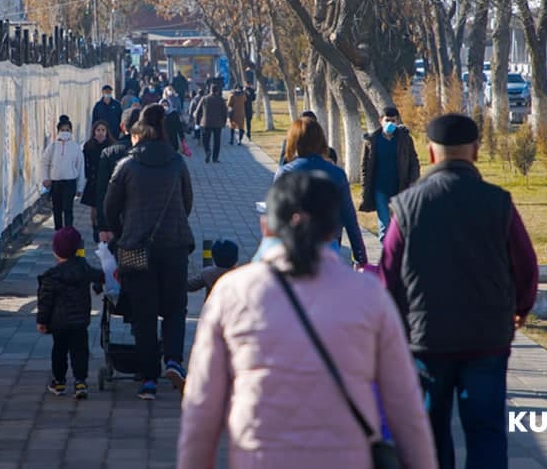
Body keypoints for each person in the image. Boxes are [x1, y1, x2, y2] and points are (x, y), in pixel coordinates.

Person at [177, 172, 437, 469]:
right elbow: (405, 407)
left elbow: (201, 408)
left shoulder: (232, 293)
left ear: (267, 226)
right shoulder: (369, 295)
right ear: (331, 231)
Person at [379, 114, 539, 469]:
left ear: (431, 154)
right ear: (477, 152)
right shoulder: (498, 202)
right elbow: (526, 265)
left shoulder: (406, 206)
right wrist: (520, 309)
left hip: (426, 342)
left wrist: (397, 329)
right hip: (488, 339)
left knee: (430, 436)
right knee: (486, 432)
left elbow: (389, 275)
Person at [103, 106, 195, 400]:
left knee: (143, 313)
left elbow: (109, 208)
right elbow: (187, 202)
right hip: (175, 247)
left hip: (136, 250)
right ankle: (173, 361)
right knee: (174, 308)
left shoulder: (127, 166)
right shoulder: (177, 163)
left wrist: (124, 230)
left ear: (139, 131)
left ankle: (148, 380)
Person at [275, 118, 367, 266]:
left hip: (293, 247)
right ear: (321, 141)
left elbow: (277, 217)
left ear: (294, 141)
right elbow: (349, 217)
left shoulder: (285, 173)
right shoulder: (337, 173)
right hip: (329, 246)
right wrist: (360, 255)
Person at [37, 226, 104, 400]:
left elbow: (45, 301)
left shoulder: (51, 276)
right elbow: (99, 275)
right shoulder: (83, 268)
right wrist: (101, 282)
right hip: (80, 320)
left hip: (58, 323)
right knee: (80, 351)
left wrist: (42, 321)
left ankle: (59, 382)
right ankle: (80, 382)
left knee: (59, 351)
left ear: (56, 251)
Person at [359, 106, 421, 242]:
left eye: (393, 121)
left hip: (400, 188)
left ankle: (396, 255)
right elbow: (364, 166)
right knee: (385, 225)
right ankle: (386, 255)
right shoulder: (372, 141)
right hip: (379, 189)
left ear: (398, 121)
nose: (390, 124)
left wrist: (413, 181)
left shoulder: (404, 139)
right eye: (387, 120)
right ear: (380, 120)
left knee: (399, 224)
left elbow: (414, 161)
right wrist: (364, 187)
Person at [97, 108, 140, 243]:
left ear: (122, 126)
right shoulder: (150, 152)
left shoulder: (109, 152)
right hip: (142, 220)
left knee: (115, 259)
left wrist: (102, 226)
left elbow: (102, 190)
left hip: (115, 216)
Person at [42, 115, 85, 231]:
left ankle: (68, 232)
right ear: (58, 131)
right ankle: (58, 232)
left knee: (68, 209)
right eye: (62, 130)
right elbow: (45, 161)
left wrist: (80, 187)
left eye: (67, 130)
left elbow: (81, 167)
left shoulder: (75, 147)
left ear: (71, 131)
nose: (65, 133)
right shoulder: (53, 146)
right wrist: (45, 178)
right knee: (56, 209)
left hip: (70, 182)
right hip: (56, 182)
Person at [81, 121, 114, 244]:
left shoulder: (111, 145)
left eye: (103, 130)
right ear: (94, 131)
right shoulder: (89, 146)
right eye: (98, 130)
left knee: (106, 205)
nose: (100, 133)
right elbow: (85, 163)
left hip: (106, 180)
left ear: (107, 132)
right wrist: (88, 174)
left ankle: (105, 227)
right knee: (94, 208)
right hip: (94, 180)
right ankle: (96, 227)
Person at [194, 85, 228, 163]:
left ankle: (207, 151)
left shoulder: (204, 98)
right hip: (218, 123)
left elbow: (198, 111)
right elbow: (224, 112)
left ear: (210, 90)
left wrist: (197, 122)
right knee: (217, 141)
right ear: (217, 91)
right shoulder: (221, 99)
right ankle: (215, 158)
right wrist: (224, 122)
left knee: (206, 139)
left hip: (206, 123)